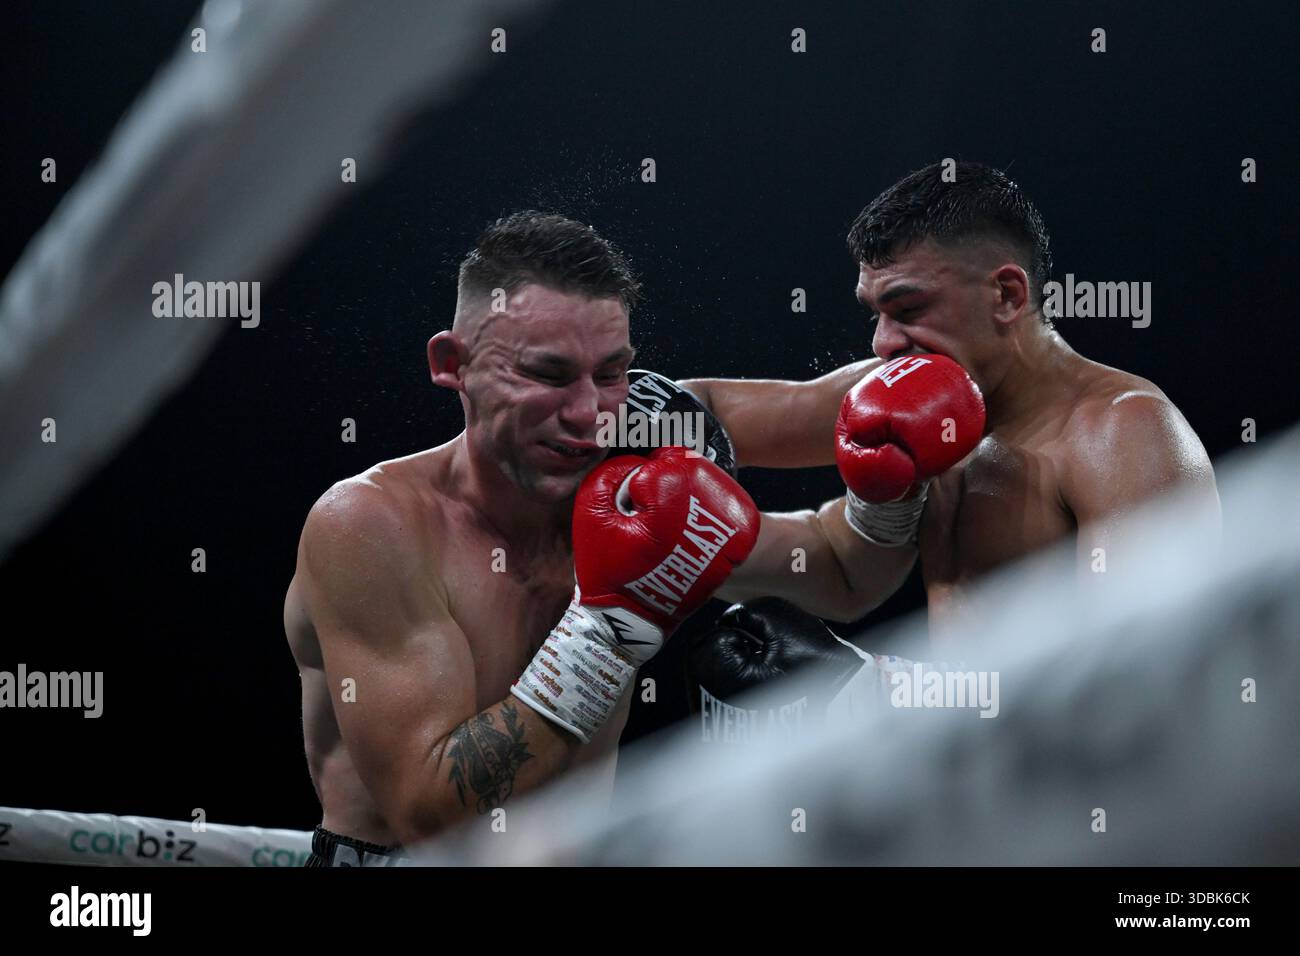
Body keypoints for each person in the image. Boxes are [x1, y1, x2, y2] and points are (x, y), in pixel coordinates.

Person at [283, 212, 761, 864]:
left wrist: (889, 506)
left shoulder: (625, 495)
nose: (589, 413)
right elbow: (433, 815)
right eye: (549, 375)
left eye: (612, 373)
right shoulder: (371, 525)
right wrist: (611, 629)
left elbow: (833, 537)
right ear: (453, 364)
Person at [686, 160, 1220, 703]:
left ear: (1008, 295)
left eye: (909, 308)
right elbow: (709, 414)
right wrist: (612, 430)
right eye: (875, 313)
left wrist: (872, 689)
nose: (883, 343)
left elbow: (1147, 677)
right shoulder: (917, 392)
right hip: (973, 764)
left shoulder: (1119, 433)